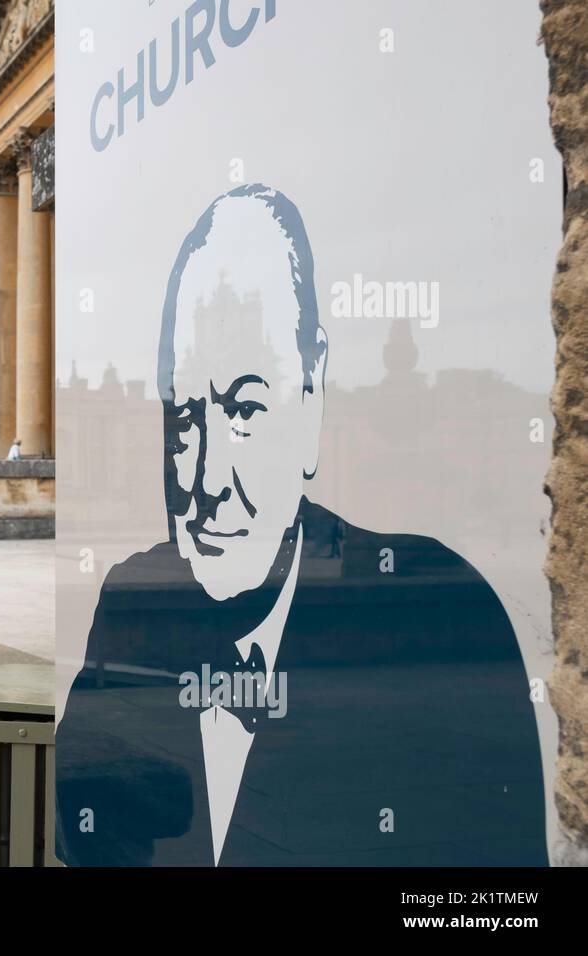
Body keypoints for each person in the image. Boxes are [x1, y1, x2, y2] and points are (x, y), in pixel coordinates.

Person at [55, 184, 547, 867]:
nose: (205, 482)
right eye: (186, 418)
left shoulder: (444, 609)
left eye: (246, 411)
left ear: (313, 392)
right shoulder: (127, 596)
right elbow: (87, 842)